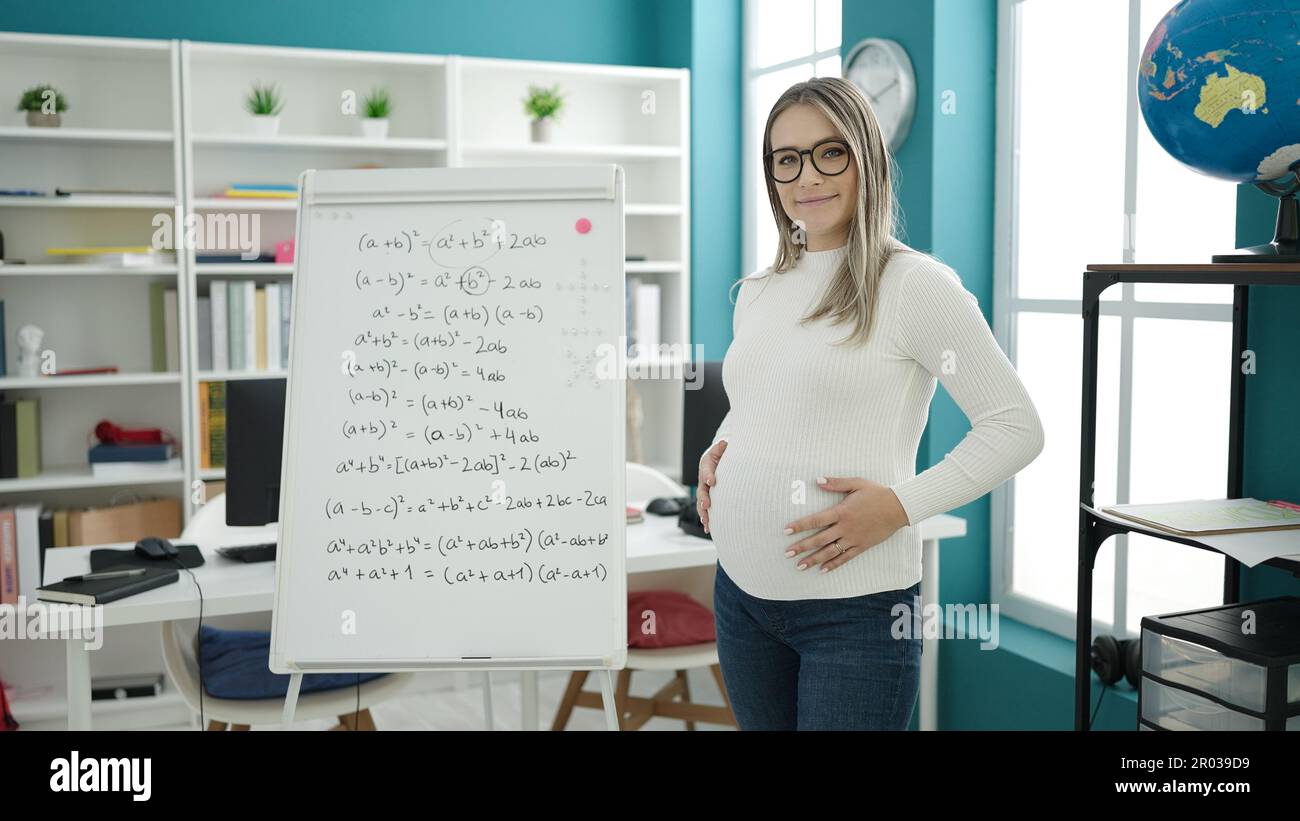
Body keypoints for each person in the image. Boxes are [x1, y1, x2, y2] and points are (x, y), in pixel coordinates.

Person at [696, 77, 1044, 730]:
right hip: (740, 595)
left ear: (868, 160)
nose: (808, 176)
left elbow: (1016, 426)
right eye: (787, 158)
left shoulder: (915, 285)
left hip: (854, 613)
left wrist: (897, 505)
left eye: (831, 152)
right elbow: (758, 394)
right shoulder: (760, 289)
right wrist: (718, 449)